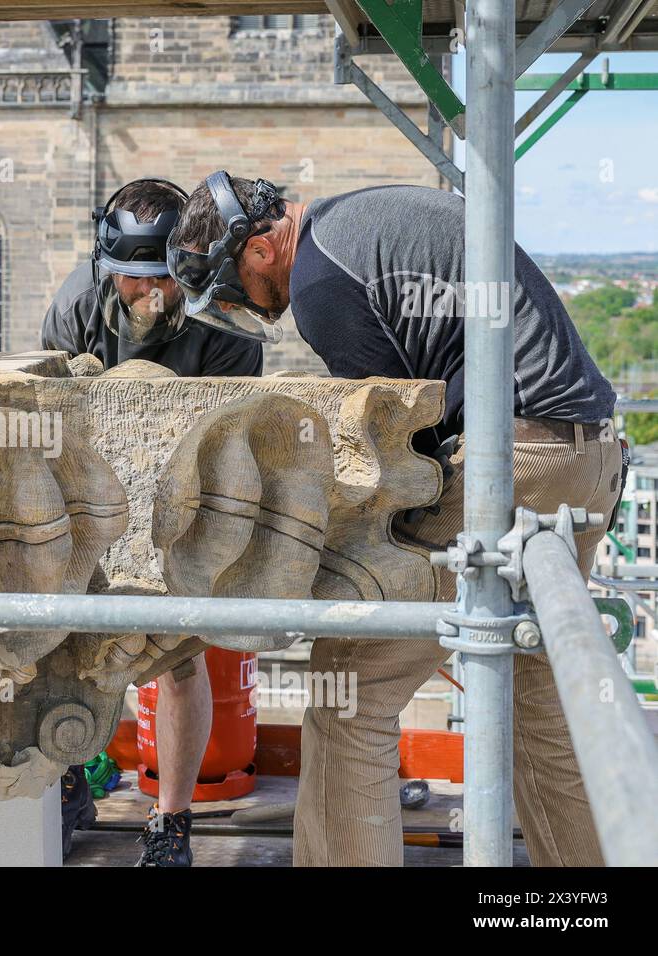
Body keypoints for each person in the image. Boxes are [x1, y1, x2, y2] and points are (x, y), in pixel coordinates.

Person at [166, 171, 619, 866]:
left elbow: (385, 444)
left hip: (516, 460)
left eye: (234, 291)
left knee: (350, 690)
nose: (252, 310)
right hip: (583, 455)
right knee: (541, 706)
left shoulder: (318, 283)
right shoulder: (352, 219)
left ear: (259, 250)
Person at [43, 178, 263, 866]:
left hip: (188, 488)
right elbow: (51, 419)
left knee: (178, 655)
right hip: (90, 482)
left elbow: (233, 436)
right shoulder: (78, 305)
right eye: (129, 281)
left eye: (158, 280)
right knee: (59, 638)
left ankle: (170, 821)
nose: (144, 295)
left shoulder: (225, 323)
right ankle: (70, 778)